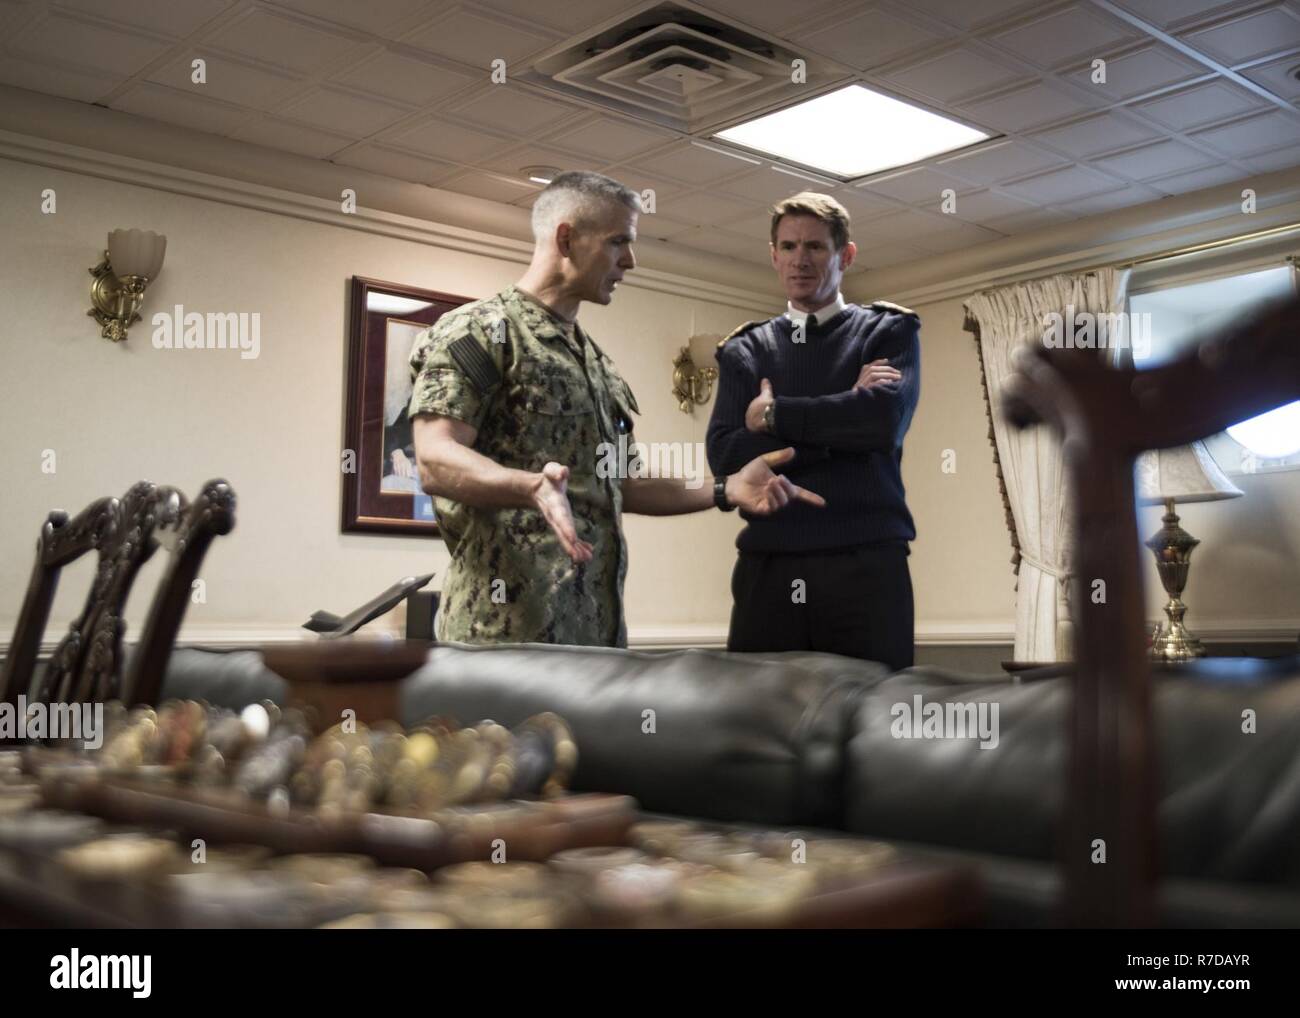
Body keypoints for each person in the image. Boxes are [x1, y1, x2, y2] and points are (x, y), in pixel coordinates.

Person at [408, 170, 823, 646]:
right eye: (617, 242)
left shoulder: (596, 363)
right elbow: (436, 459)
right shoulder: (480, 332)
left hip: (596, 639)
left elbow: (621, 481)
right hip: (501, 641)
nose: (631, 260)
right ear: (566, 238)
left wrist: (726, 488)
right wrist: (529, 487)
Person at [705, 192, 920, 669]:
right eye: (788, 246)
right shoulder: (746, 349)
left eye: (815, 247)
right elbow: (726, 457)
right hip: (770, 568)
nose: (799, 260)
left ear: (846, 255)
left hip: (866, 567)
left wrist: (774, 417)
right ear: (773, 255)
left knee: (872, 724)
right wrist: (844, 421)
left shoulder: (887, 332)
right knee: (761, 726)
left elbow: (881, 422)